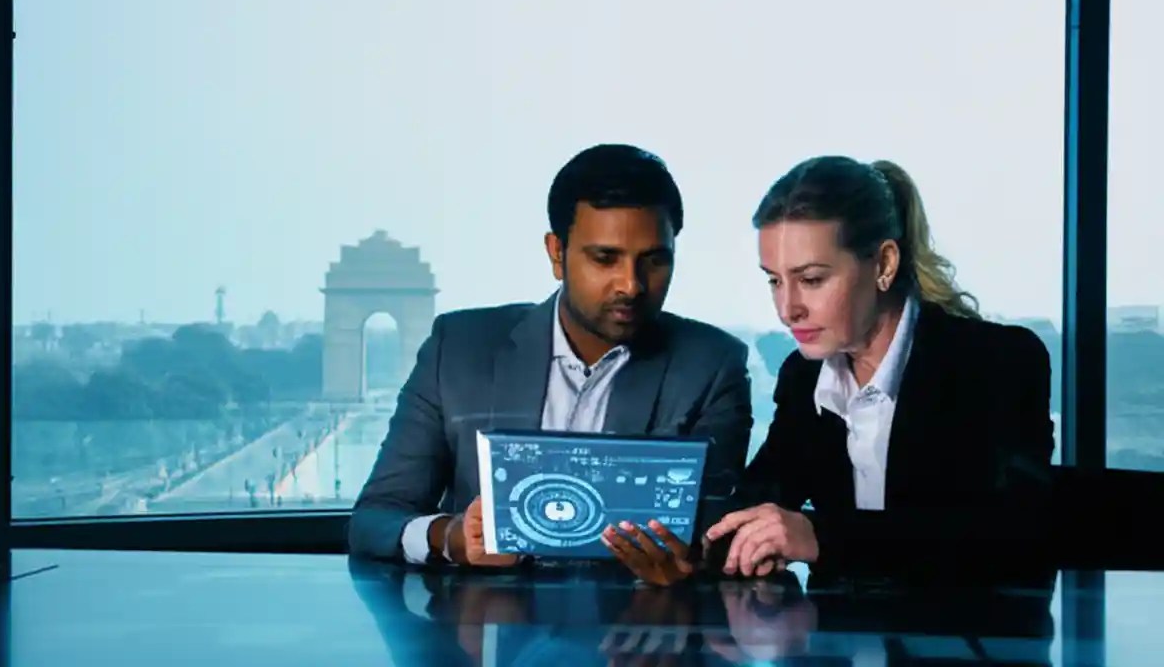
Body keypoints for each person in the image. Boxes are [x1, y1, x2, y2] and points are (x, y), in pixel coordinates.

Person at [349, 143, 754, 583]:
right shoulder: (460, 350)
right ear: (556, 253)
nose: (631, 285)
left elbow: (717, 536)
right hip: (483, 634)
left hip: (634, 637)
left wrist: (691, 564)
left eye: (655, 261)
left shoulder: (712, 366)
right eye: (605, 258)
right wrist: (450, 538)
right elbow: (374, 518)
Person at [704, 155, 1055, 579]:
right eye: (775, 280)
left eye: (811, 279)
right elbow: (761, 498)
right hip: (837, 640)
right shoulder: (804, 376)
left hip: (970, 636)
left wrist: (820, 535)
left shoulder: (998, 362)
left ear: (884, 264)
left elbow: (1014, 532)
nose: (787, 309)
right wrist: (697, 544)